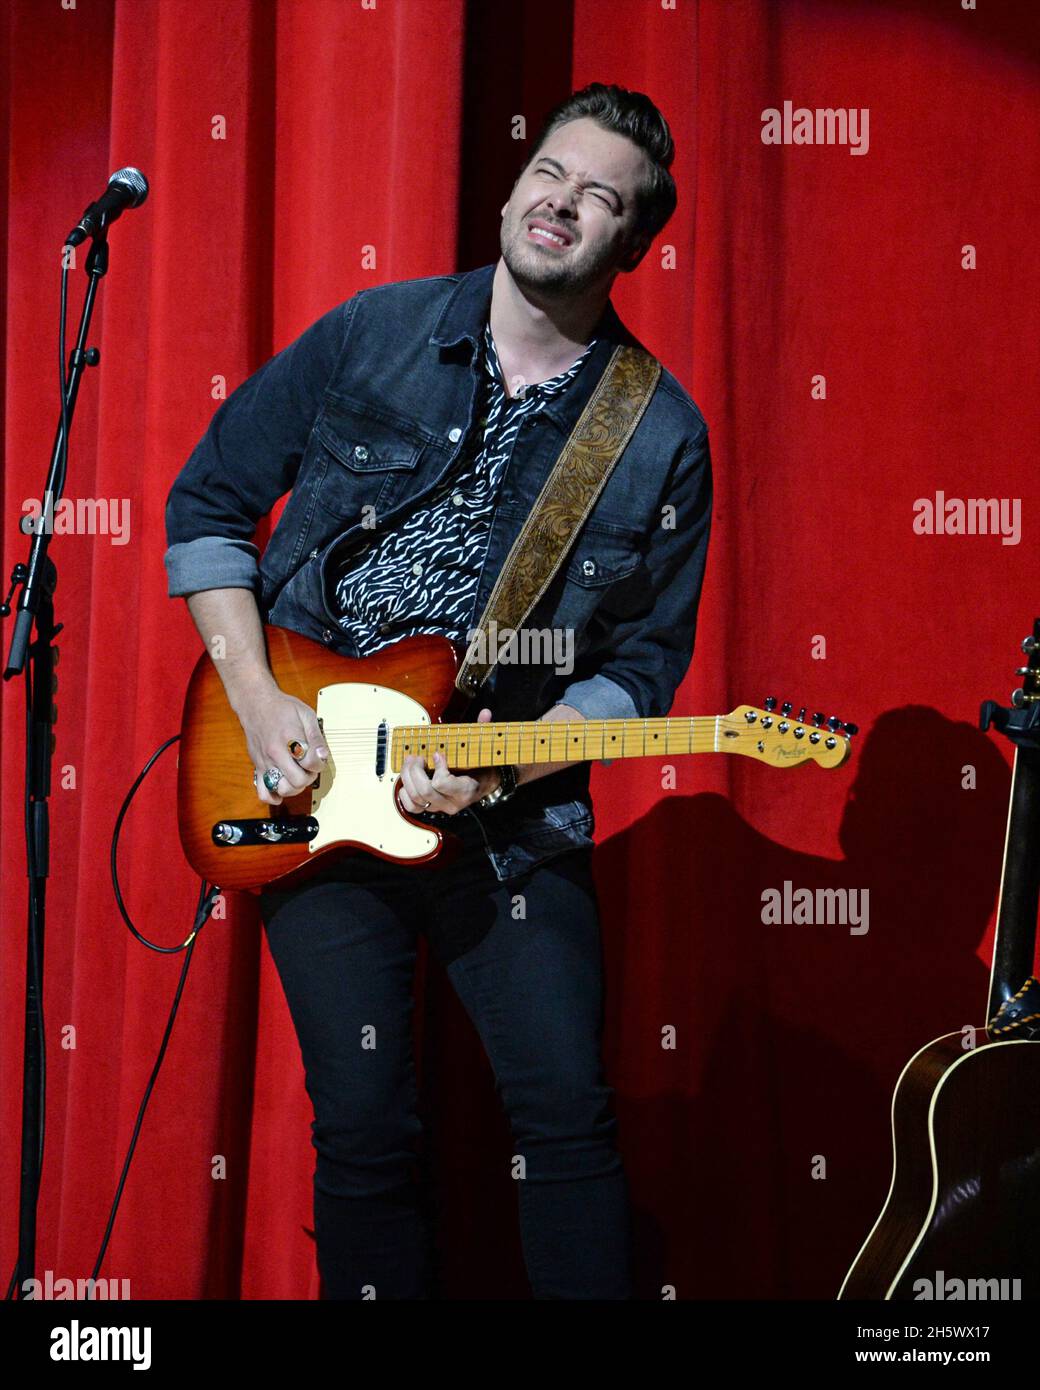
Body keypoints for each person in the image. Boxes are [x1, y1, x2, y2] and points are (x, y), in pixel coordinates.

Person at [164, 82, 712, 1300]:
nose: (561, 206)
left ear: (631, 239)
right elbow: (205, 504)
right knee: (362, 1127)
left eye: (598, 199)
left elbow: (639, 668)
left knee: (566, 1119)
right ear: (516, 189)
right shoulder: (378, 329)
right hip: (313, 793)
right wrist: (256, 700)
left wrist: (506, 759)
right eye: (549, 177)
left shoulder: (656, 432)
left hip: (509, 827)